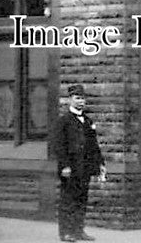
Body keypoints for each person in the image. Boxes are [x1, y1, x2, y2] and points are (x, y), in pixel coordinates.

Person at [50, 84, 105, 242]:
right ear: (70, 100)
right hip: (70, 168)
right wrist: (65, 166)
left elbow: (94, 145)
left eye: (83, 98)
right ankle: (66, 232)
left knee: (82, 199)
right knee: (68, 200)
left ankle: (78, 230)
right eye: (77, 98)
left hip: (85, 168)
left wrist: (100, 164)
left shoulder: (87, 121)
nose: (81, 101)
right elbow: (59, 146)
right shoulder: (64, 121)